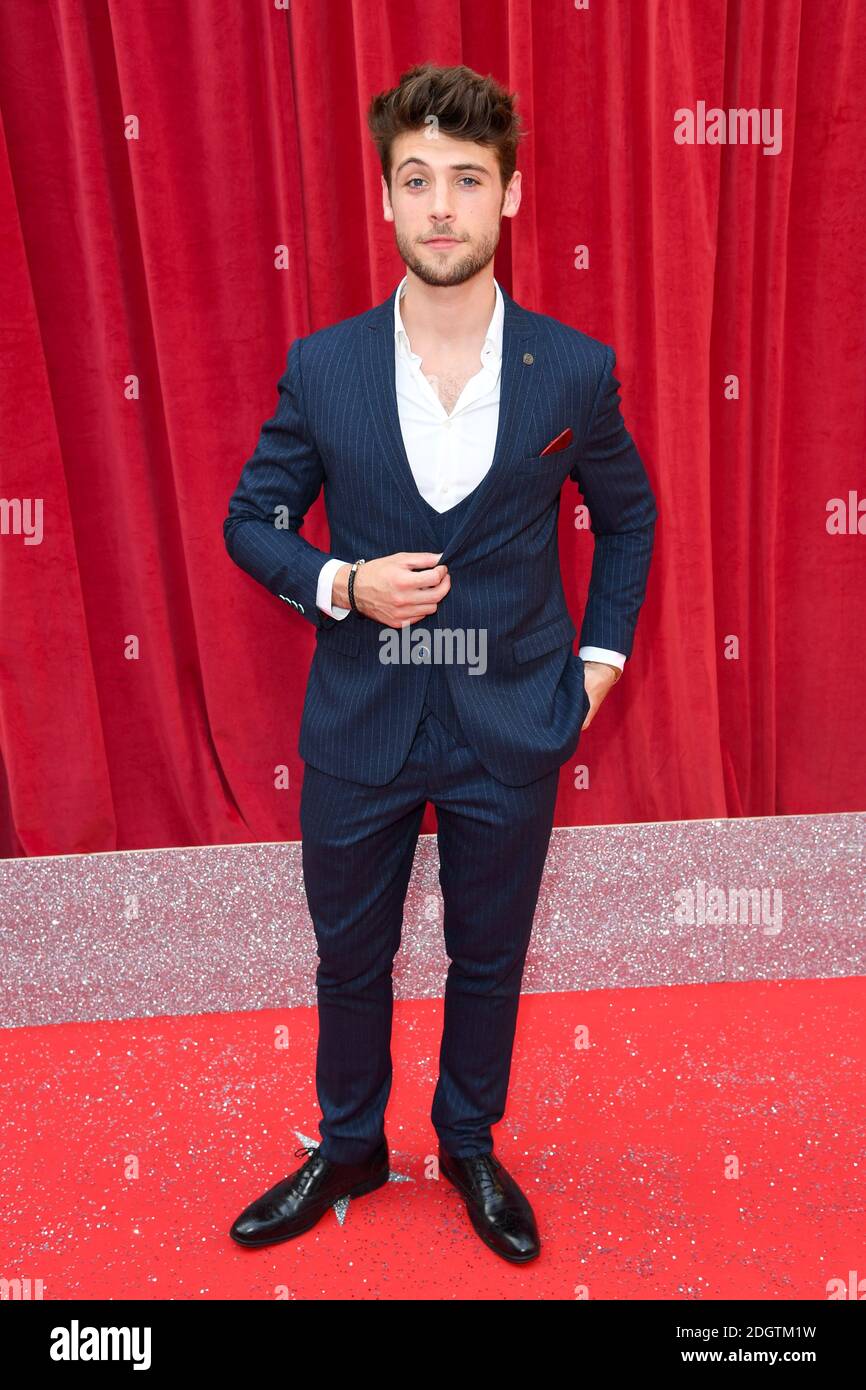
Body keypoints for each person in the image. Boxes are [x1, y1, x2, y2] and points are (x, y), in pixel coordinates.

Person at [223, 62, 656, 1263]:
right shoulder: (324, 367)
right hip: (360, 715)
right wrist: (337, 584)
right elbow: (248, 519)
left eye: (467, 180)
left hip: (512, 715)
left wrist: (598, 666)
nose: (441, 206)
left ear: (508, 197)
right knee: (349, 948)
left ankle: (467, 1137)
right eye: (416, 180)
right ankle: (348, 1139)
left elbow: (626, 516)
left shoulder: (572, 370)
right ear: (387, 203)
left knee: (489, 946)